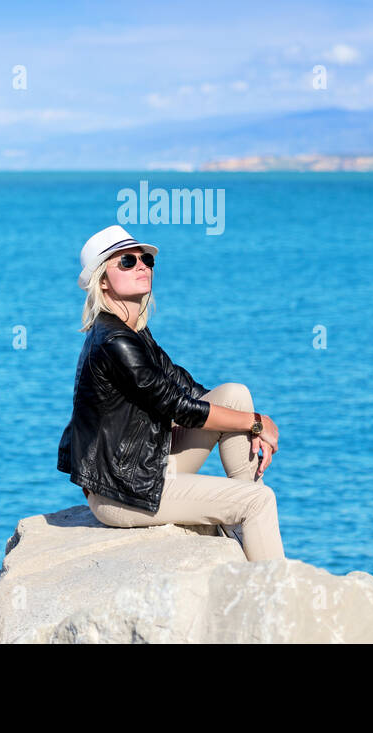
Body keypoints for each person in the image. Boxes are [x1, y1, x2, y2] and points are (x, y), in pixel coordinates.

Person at [56, 224, 286, 562]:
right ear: (102, 280)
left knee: (234, 394)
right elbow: (179, 407)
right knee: (258, 501)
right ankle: (274, 598)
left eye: (145, 259)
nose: (142, 266)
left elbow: (185, 388)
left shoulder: (135, 333)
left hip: (147, 466)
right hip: (124, 492)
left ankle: (244, 523)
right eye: (127, 262)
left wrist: (251, 421)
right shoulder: (114, 342)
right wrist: (255, 424)